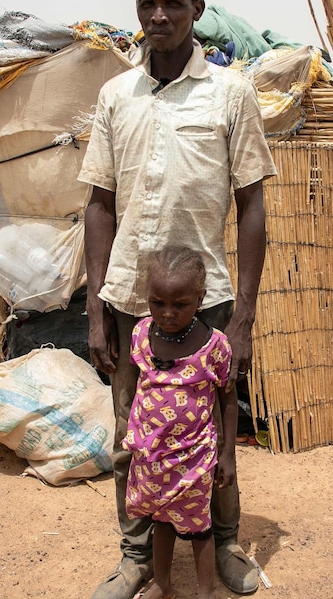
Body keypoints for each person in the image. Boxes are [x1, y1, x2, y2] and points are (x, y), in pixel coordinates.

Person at [78, 0, 276, 596]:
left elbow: (252, 207)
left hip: (207, 303)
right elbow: (100, 206)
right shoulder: (115, 97)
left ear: (198, 8)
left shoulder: (231, 93)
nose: (158, 14)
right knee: (131, 437)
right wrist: (92, 307)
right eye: (148, 3)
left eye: (172, 2)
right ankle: (136, 557)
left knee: (214, 434)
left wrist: (241, 320)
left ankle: (225, 547)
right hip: (130, 305)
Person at [124, 245, 236, 599]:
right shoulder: (142, 334)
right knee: (160, 519)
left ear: (200, 298)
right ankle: (162, 583)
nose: (168, 313)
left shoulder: (214, 346)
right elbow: (141, 389)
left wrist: (227, 454)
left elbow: (228, 399)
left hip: (194, 456)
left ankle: (206, 593)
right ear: (147, 297)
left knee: (199, 526)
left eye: (181, 304)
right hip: (152, 455)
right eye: (158, 303)